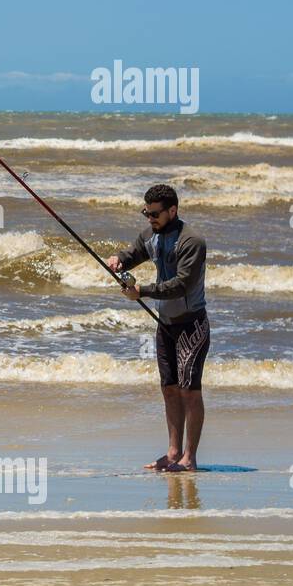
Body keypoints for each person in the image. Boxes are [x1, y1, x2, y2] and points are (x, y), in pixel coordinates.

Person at [103, 184, 209, 472]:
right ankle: (173, 453)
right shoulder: (151, 235)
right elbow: (134, 253)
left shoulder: (192, 242)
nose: (149, 219)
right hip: (165, 326)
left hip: (191, 326)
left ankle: (190, 458)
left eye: (154, 214)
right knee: (170, 389)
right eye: (146, 213)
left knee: (190, 391)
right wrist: (119, 260)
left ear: (172, 210)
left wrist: (143, 290)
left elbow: (181, 284)